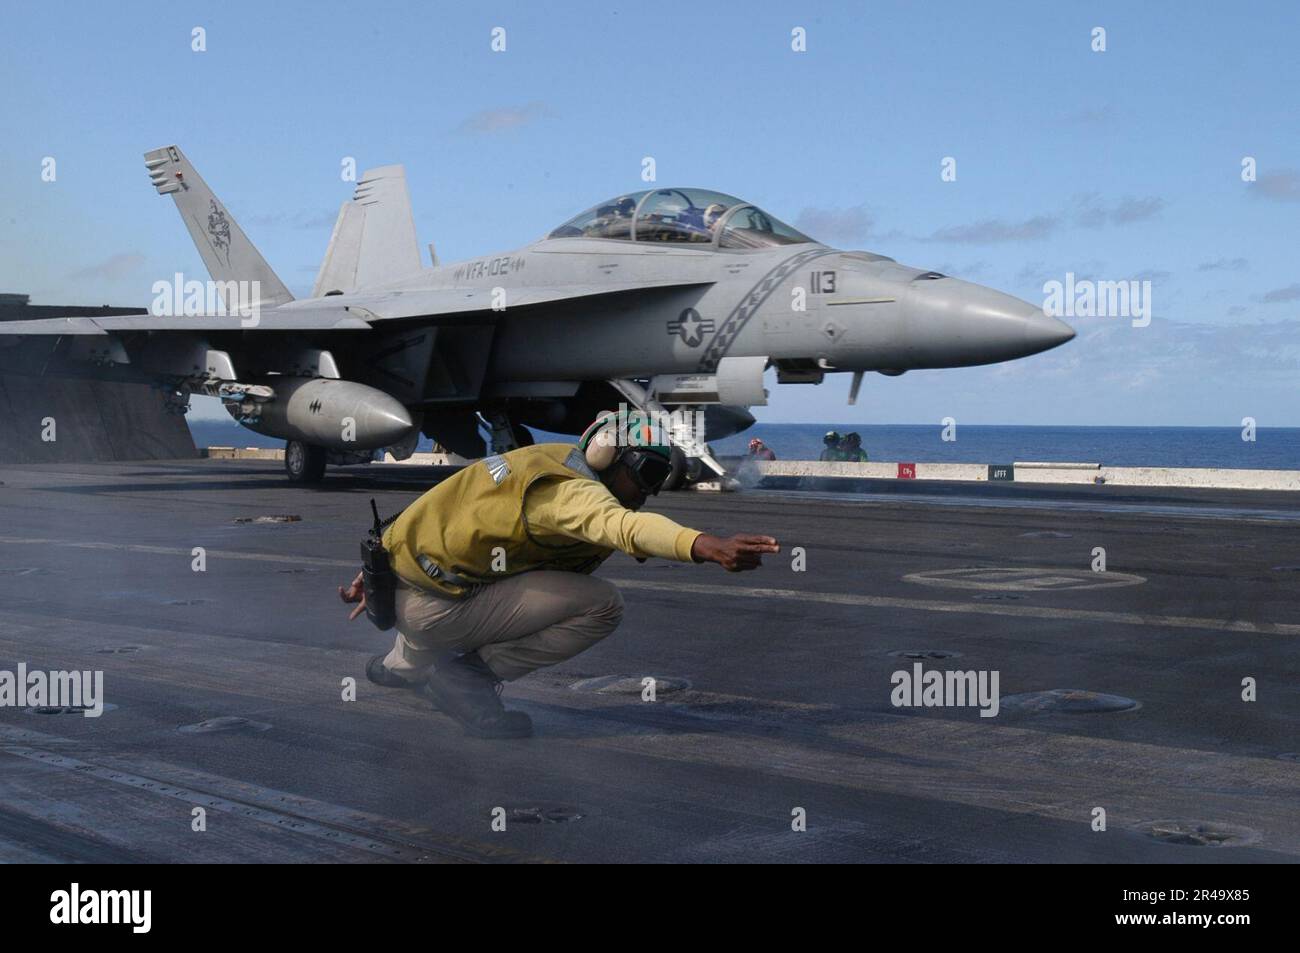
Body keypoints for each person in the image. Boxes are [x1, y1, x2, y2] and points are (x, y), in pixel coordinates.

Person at [339, 410, 779, 738]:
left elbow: (435, 509)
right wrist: (705, 544)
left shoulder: (539, 462)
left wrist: (377, 571)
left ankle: (399, 667)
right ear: (607, 454)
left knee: (479, 589)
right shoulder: (568, 492)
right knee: (602, 605)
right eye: (646, 472)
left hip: (405, 591)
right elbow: (624, 527)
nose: (649, 491)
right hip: (439, 607)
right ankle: (469, 675)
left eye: (659, 477)